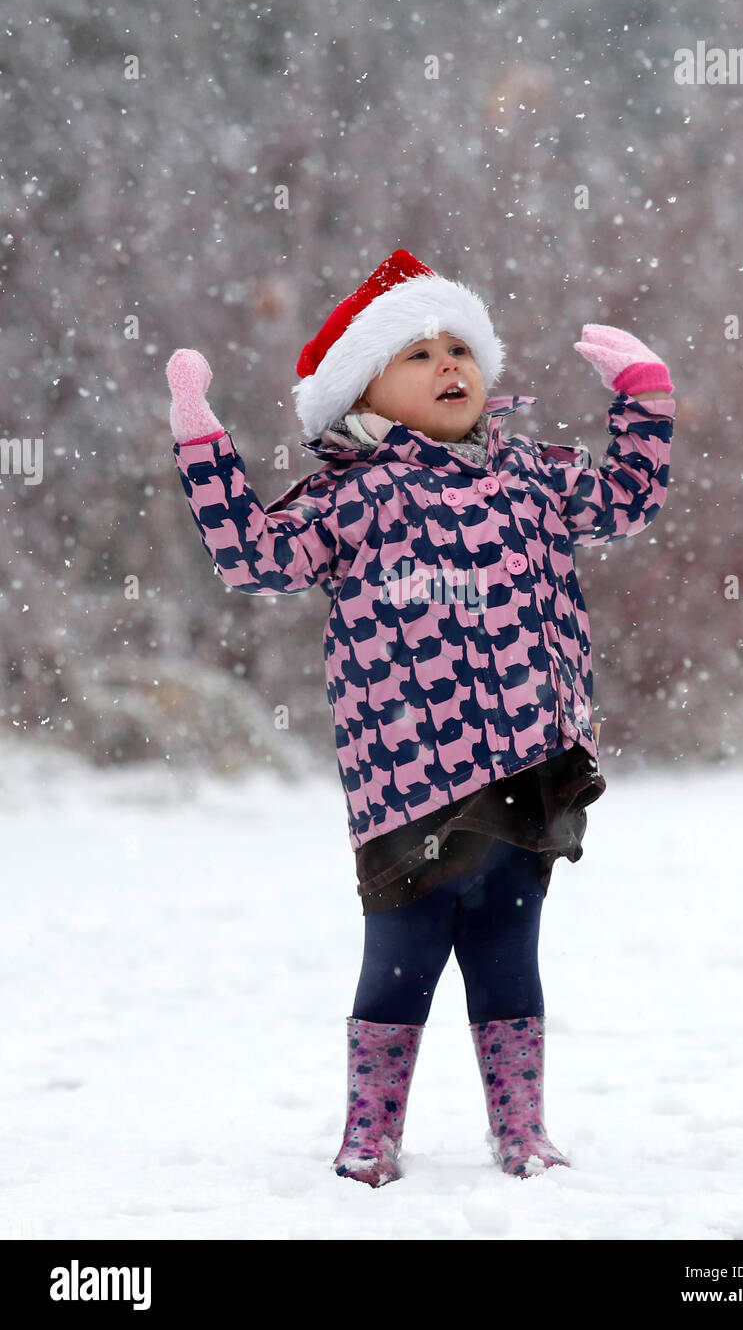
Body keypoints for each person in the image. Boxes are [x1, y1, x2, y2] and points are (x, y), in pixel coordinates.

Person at [166, 249, 676, 1187]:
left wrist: (644, 397)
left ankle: (521, 1129)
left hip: (530, 762)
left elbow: (627, 502)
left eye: (460, 349)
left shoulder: (533, 479)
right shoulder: (356, 495)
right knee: (401, 955)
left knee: (508, 946)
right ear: (365, 389)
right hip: (406, 778)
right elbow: (251, 557)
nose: (450, 367)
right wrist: (203, 444)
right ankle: (370, 1131)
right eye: (418, 354)